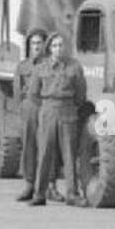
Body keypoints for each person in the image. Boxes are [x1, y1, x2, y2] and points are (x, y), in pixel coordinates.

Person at [29, 31, 88, 207]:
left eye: (61, 45)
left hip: (68, 110)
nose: (58, 49)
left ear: (66, 47)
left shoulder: (74, 67)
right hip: (47, 110)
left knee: (69, 154)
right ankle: (39, 194)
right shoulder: (41, 68)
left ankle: (72, 193)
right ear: (49, 48)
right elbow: (33, 94)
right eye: (54, 45)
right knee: (45, 153)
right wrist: (47, 106)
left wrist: (70, 106)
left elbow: (80, 94)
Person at [13, 28, 49, 201]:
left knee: (47, 147)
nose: (36, 46)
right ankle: (29, 183)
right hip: (29, 108)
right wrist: (23, 110)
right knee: (28, 146)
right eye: (33, 43)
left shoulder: (51, 64)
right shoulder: (23, 66)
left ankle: (49, 185)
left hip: (46, 107)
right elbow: (17, 92)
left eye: (39, 43)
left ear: (45, 45)